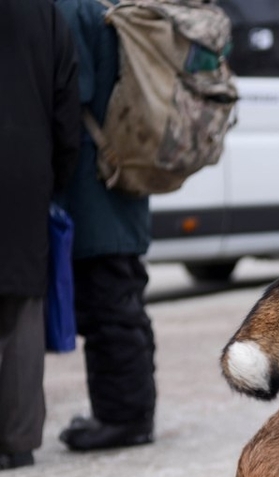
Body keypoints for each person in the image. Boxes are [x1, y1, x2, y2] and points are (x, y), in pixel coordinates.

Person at [55, 0, 158, 451]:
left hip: (94, 182)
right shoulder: (110, 5)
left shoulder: (73, 10)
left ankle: (122, 419)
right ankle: (131, 412)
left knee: (108, 308)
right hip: (122, 174)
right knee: (124, 300)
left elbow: (71, 91)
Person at [0, 0, 82, 470]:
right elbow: (65, 101)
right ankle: (17, 438)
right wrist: (56, 173)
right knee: (21, 307)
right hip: (26, 175)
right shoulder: (45, 13)